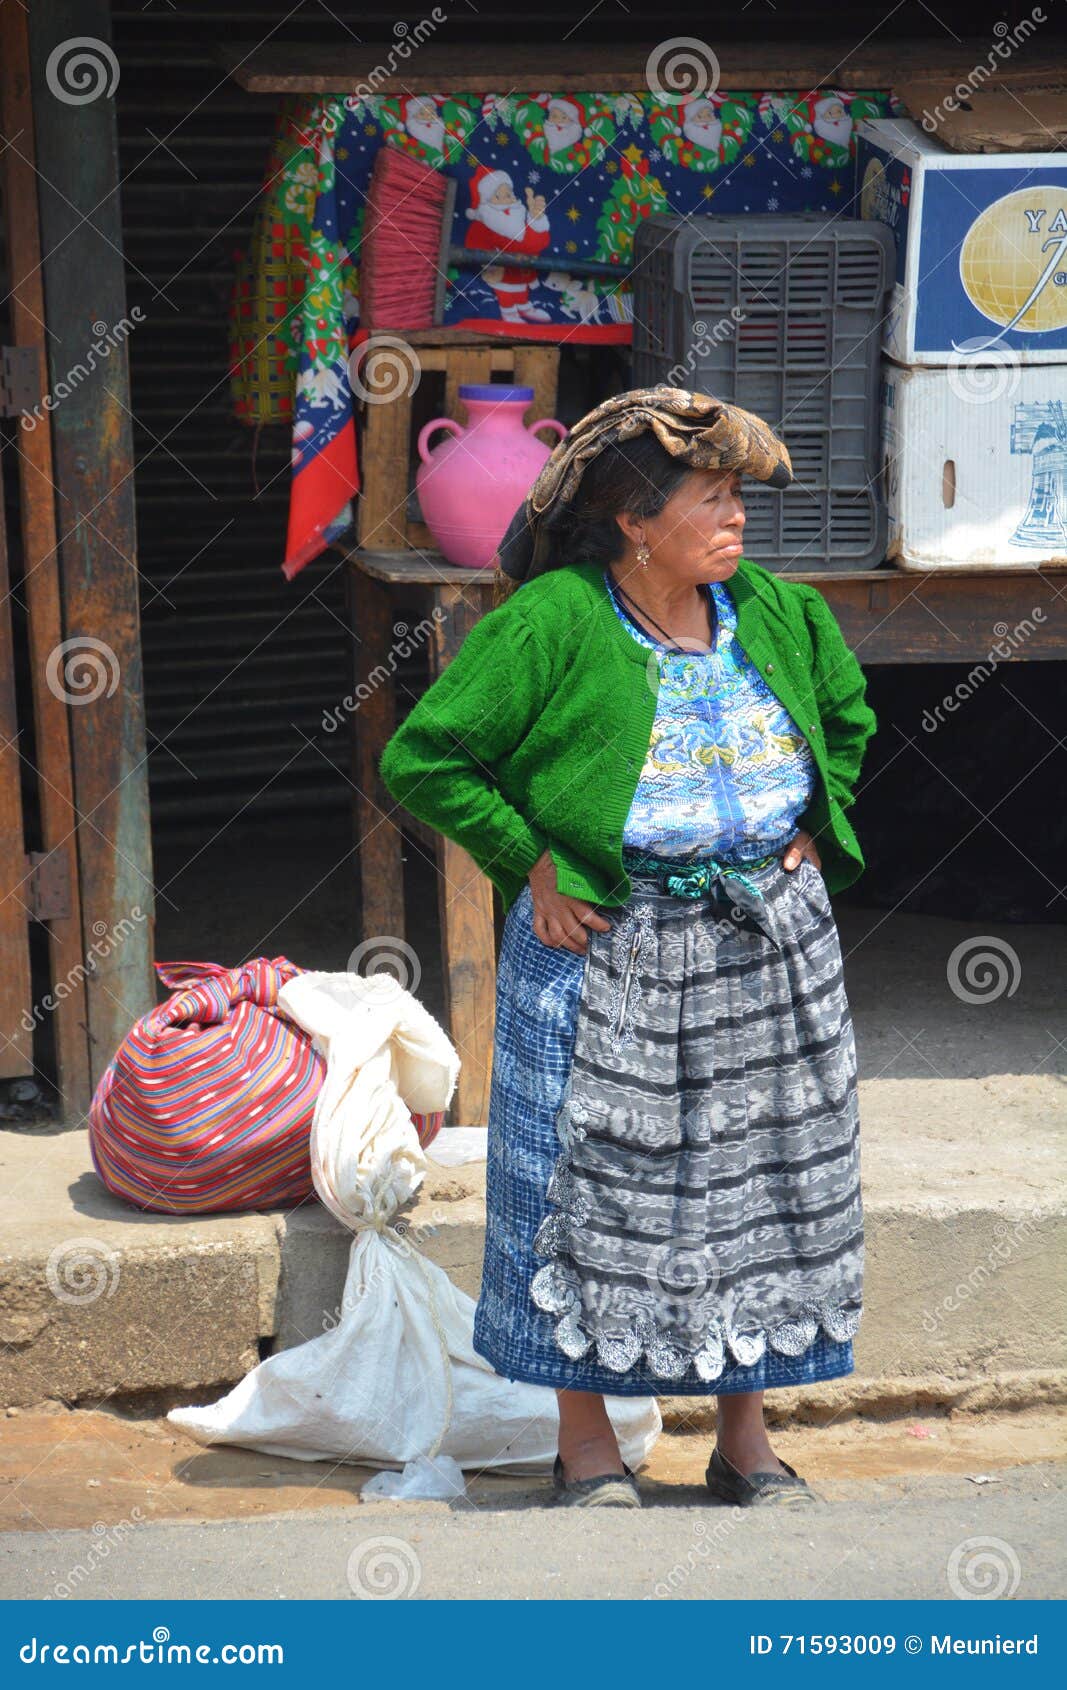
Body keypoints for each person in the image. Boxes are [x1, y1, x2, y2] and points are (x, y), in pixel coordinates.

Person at [378, 387, 878, 1510]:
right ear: (634, 523)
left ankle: (744, 1442)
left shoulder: (774, 613)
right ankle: (585, 1447)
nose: (735, 519)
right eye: (710, 499)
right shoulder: (554, 620)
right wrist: (531, 862)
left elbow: (844, 716)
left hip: (766, 949)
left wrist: (815, 821)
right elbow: (426, 757)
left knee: (763, 1193)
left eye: (737, 496)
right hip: (610, 948)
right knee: (589, 1195)